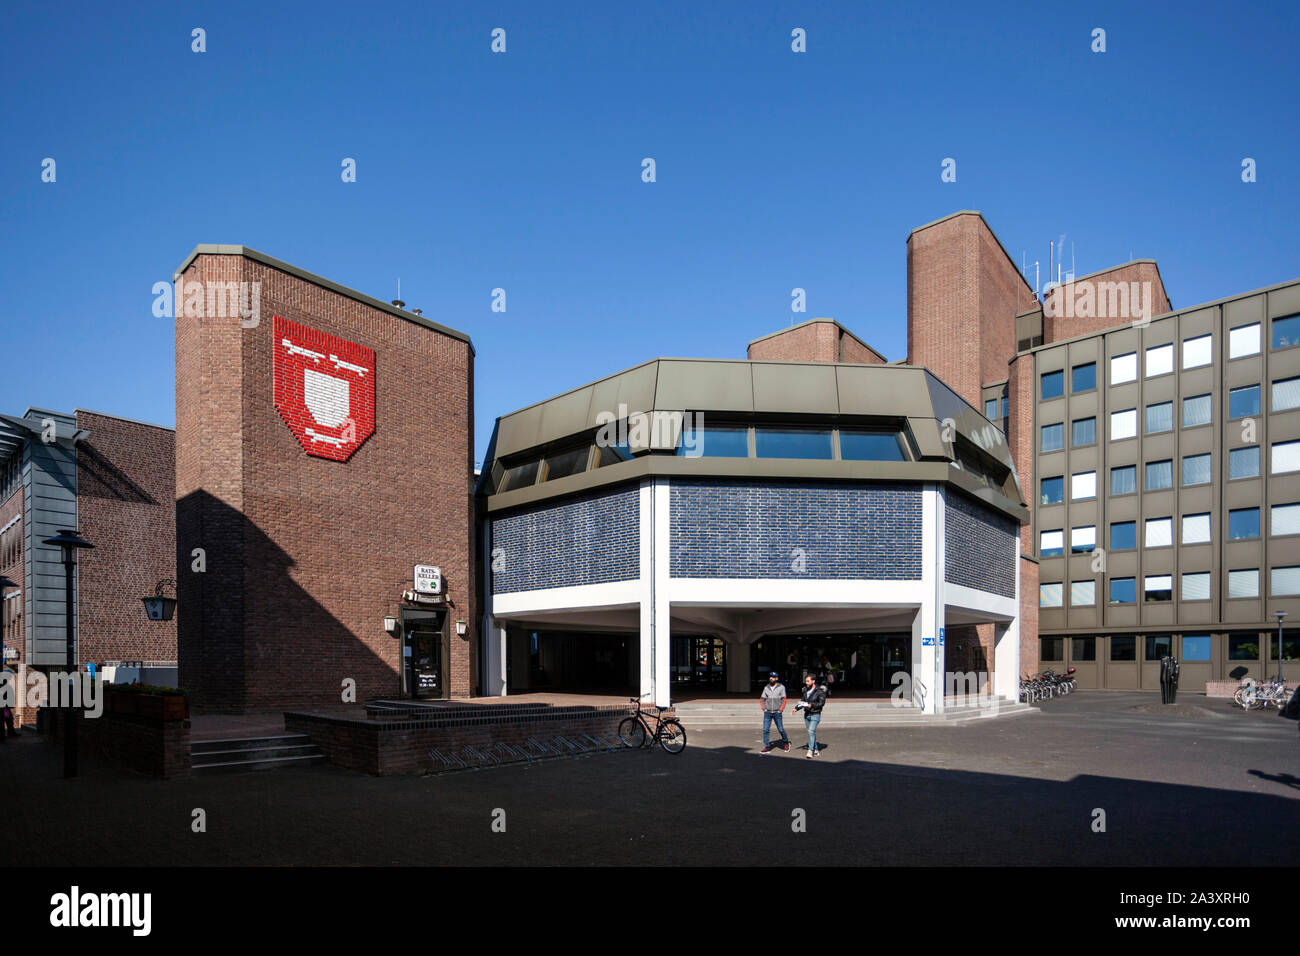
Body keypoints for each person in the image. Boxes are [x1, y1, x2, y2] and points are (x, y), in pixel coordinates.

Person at [795, 673, 827, 757]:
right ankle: (816, 749)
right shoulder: (805, 689)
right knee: (811, 733)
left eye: (808, 681)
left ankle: (810, 750)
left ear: (813, 681)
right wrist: (796, 708)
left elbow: (821, 703)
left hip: (815, 714)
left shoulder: (820, 691)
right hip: (807, 714)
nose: (806, 683)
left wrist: (811, 705)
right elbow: (803, 700)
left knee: (811, 731)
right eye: (805, 681)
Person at [759, 671, 791, 753]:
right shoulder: (766, 687)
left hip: (777, 712)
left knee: (780, 729)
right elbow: (762, 699)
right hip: (768, 712)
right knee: (765, 730)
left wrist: (781, 709)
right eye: (770, 677)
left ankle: (786, 742)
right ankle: (767, 746)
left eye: (773, 677)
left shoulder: (781, 687)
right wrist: (764, 708)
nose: (771, 678)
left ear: (776, 678)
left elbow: (784, 699)